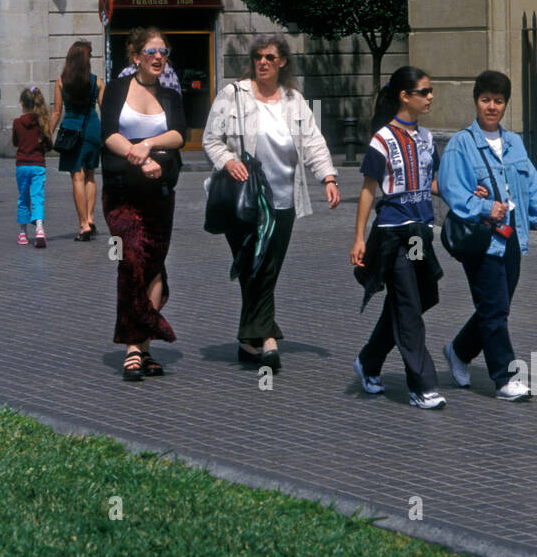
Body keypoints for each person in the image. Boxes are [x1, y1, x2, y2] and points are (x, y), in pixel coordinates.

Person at [202, 34, 340, 371]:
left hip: (283, 200)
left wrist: (329, 177)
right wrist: (228, 161)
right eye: (258, 57)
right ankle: (267, 340)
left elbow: (312, 142)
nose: (262, 62)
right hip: (244, 200)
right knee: (254, 266)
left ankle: (249, 340)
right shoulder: (233, 95)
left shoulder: (294, 101)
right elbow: (210, 139)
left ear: (282, 63)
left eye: (269, 57)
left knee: (268, 267)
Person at [438, 70, 537, 402]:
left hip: (512, 237)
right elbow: (452, 190)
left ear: (506, 105)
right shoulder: (461, 144)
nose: (491, 107)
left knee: (497, 306)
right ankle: (505, 378)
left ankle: (458, 351)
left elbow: (532, 187)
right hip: (481, 239)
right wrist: (482, 206)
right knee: (494, 308)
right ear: (476, 102)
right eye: (485, 100)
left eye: (498, 101)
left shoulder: (515, 144)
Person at [350, 66, 447, 410]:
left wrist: (468, 196)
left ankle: (369, 361)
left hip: (421, 232)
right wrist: (360, 237)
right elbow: (367, 190)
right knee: (407, 307)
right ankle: (423, 386)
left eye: (431, 90)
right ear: (405, 96)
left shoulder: (425, 138)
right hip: (393, 234)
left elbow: (431, 182)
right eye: (425, 91)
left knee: (419, 299)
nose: (430, 97)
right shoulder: (382, 140)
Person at [100, 27, 186, 381]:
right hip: (121, 193)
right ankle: (134, 346)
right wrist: (138, 156)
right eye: (151, 51)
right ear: (135, 56)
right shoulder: (117, 89)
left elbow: (180, 134)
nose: (158, 57)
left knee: (153, 267)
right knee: (130, 258)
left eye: (163, 52)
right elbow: (109, 134)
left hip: (160, 195)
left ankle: (144, 348)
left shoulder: (170, 95)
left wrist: (147, 145)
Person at [49, 40, 103, 241]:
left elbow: (56, 112)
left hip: (72, 129)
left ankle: (82, 225)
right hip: (92, 129)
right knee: (90, 175)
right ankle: (90, 218)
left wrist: (47, 134)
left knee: (77, 177)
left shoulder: (62, 81)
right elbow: (105, 109)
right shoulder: (96, 82)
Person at [12, 87, 52, 247]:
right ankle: (40, 229)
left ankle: (22, 233)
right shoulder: (42, 122)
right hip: (38, 165)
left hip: (22, 165)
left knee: (23, 198)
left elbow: (15, 142)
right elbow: (49, 145)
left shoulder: (17, 122)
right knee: (37, 198)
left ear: (22, 102)